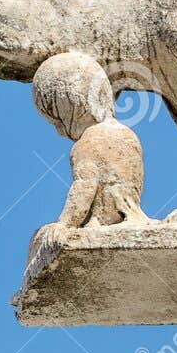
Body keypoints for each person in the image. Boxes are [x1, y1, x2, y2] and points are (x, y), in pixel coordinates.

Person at [32, 52, 146, 228]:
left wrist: (63, 225)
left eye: (57, 120)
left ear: (71, 105)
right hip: (131, 216)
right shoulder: (127, 134)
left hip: (101, 222)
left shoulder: (89, 142)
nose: (60, 132)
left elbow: (85, 186)